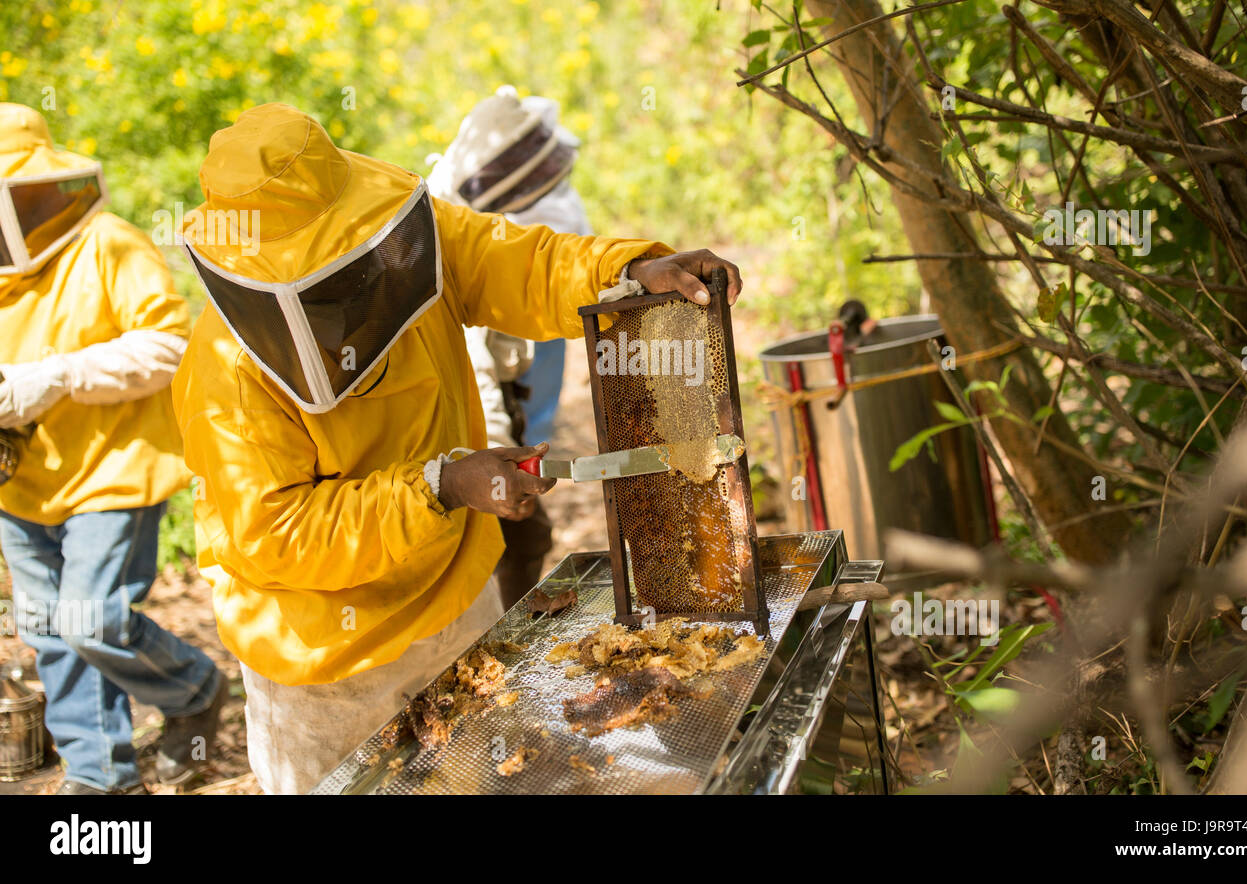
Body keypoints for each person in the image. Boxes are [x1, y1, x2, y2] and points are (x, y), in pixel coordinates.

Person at [171, 103, 741, 793]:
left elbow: (517, 262)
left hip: (455, 603)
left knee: (485, 782)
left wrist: (626, 272)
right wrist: (439, 486)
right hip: (329, 669)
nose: (351, 290)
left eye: (344, 263)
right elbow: (276, 535)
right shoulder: (226, 377)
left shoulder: (399, 240)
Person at [0, 103, 226, 794]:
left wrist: (58, 375)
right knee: (49, 631)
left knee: (90, 621)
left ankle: (194, 688)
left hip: (114, 471)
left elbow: (166, 348)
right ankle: (101, 777)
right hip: (22, 485)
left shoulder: (111, 244)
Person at [428, 86, 596, 605]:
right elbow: (472, 369)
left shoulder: (519, 156)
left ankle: (516, 611)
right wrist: (496, 458)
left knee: (527, 531)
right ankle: (507, 627)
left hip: (518, 369)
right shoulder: (443, 244)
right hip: (467, 410)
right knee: (502, 530)